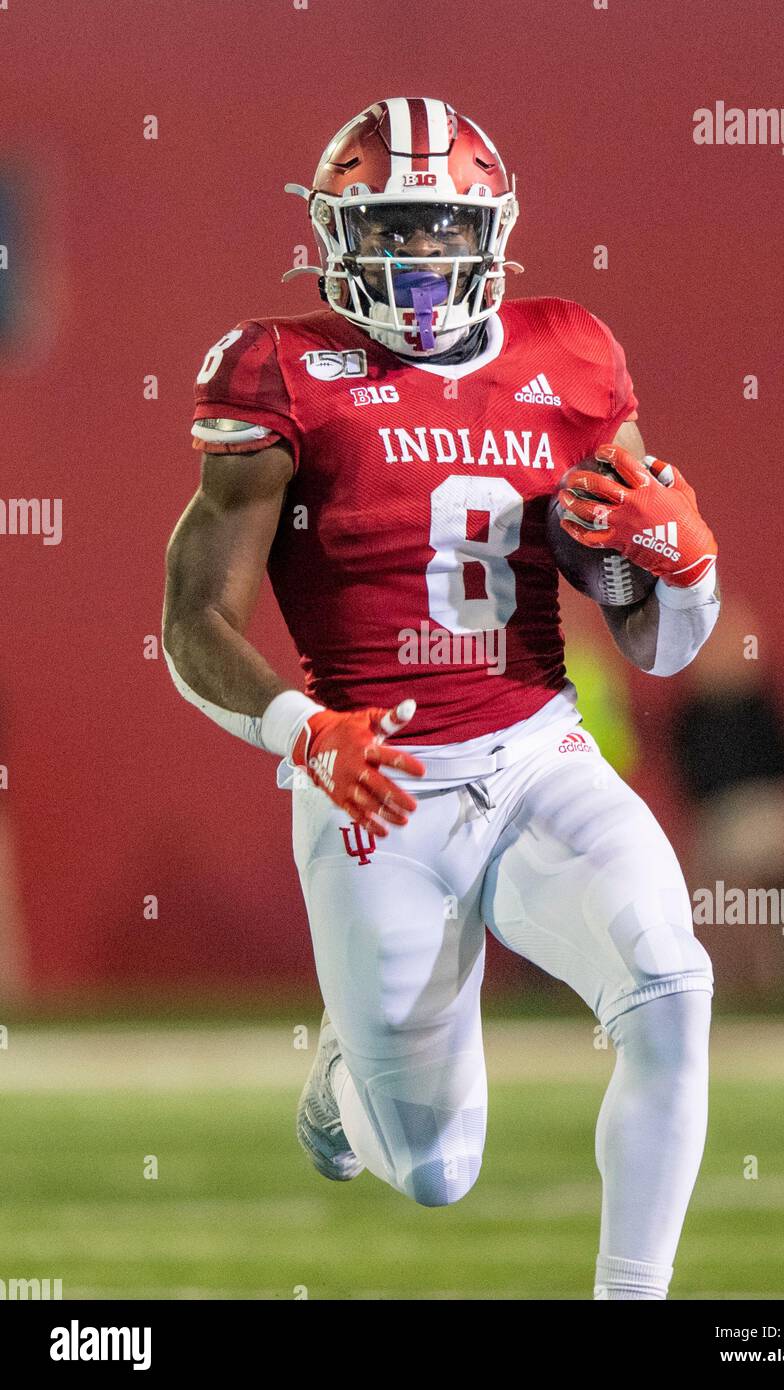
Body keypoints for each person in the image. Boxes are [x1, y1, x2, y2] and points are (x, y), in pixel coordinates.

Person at [163, 98, 721, 1300]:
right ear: (333, 233)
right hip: (371, 780)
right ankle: (344, 1082)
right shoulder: (277, 371)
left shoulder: (569, 355)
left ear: (491, 230)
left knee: (671, 985)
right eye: (393, 227)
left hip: (535, 753)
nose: (418, 257)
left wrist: (689, 569)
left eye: (439, 227)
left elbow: (658, 643)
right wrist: (298, 728)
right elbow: (192, 619)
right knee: (433, 1168)